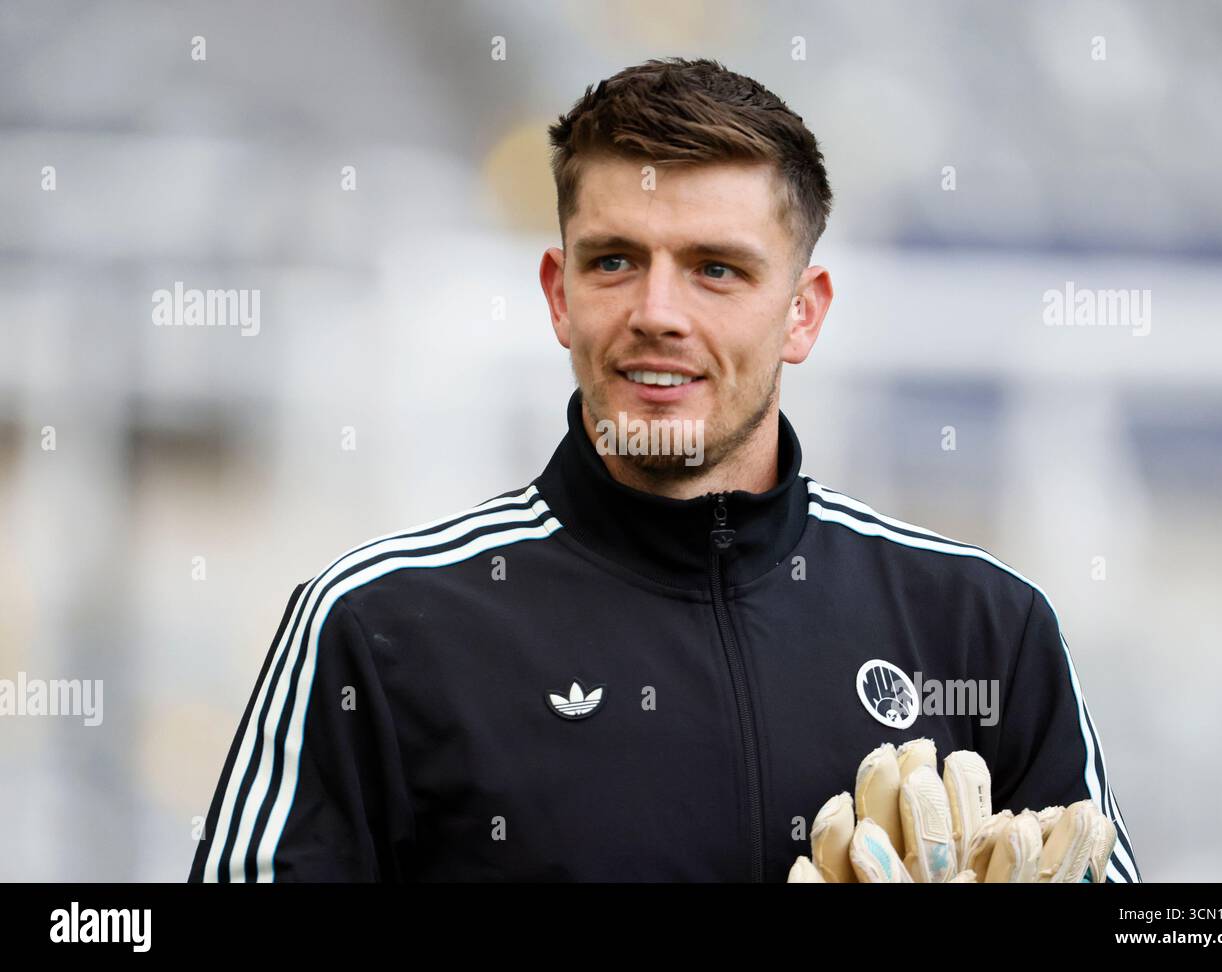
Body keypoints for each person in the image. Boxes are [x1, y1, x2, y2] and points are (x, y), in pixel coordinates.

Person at [189, 57, 1140, 883]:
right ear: (560, 296)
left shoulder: (984, 625)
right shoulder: (378, 624)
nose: (657, 313)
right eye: (614, 262)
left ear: (803, 313)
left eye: (716, 269)